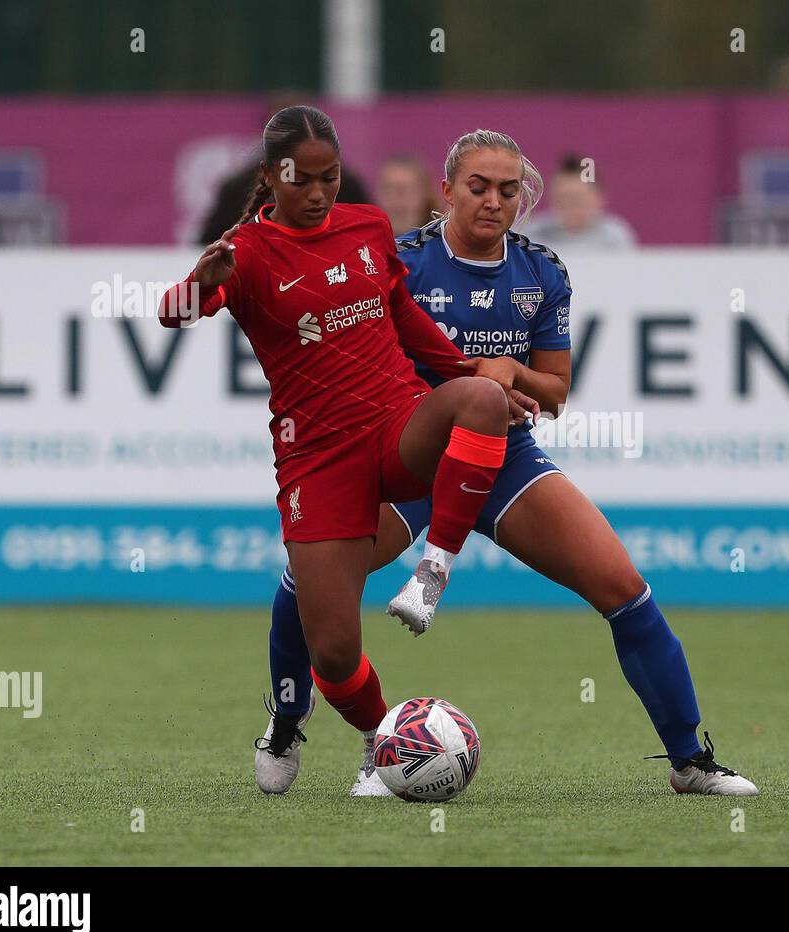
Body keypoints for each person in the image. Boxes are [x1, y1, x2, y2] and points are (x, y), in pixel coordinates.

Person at [256, 129, 759, 798]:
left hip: (506, 463)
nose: (494, 201)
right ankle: (289, 722)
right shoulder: (397, 260)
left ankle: (690, 762)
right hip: (409, 461)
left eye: (508, 189)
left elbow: (553, 394)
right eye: (479, 187)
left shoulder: (542, 271)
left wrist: (511, 371)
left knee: (625, 591)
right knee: (307, 579)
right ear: (447, 192)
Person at [159, 106, 537, 795]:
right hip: (318, 461)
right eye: (304, 179)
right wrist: (199, 281)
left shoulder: (365, 225)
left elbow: (404, 315)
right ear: (273, 176)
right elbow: (172, 314)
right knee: (333, 653)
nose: (320, 191)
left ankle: (432, 574)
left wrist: (466, 375)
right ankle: (372, 738)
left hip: (396, 424)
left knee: (482, 399)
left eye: (330, 177)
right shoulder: (243, 252)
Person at [196, 98, 372, 246]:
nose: (317, 195)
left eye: (329, 178)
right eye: (298, 181)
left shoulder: (350, 188)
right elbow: (204, 248)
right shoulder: (236, 189)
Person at [522, 153, 637, 252]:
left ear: (599, 199)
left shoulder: (615, 237)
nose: (570, 207)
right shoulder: (531, 237)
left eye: (578, 199)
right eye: (563, 199)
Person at [374, 154, 437, 236]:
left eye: (405, 190)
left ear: (425, 195)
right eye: (388, 190)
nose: (395, 199)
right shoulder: (362, 243)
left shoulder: (447, 245)